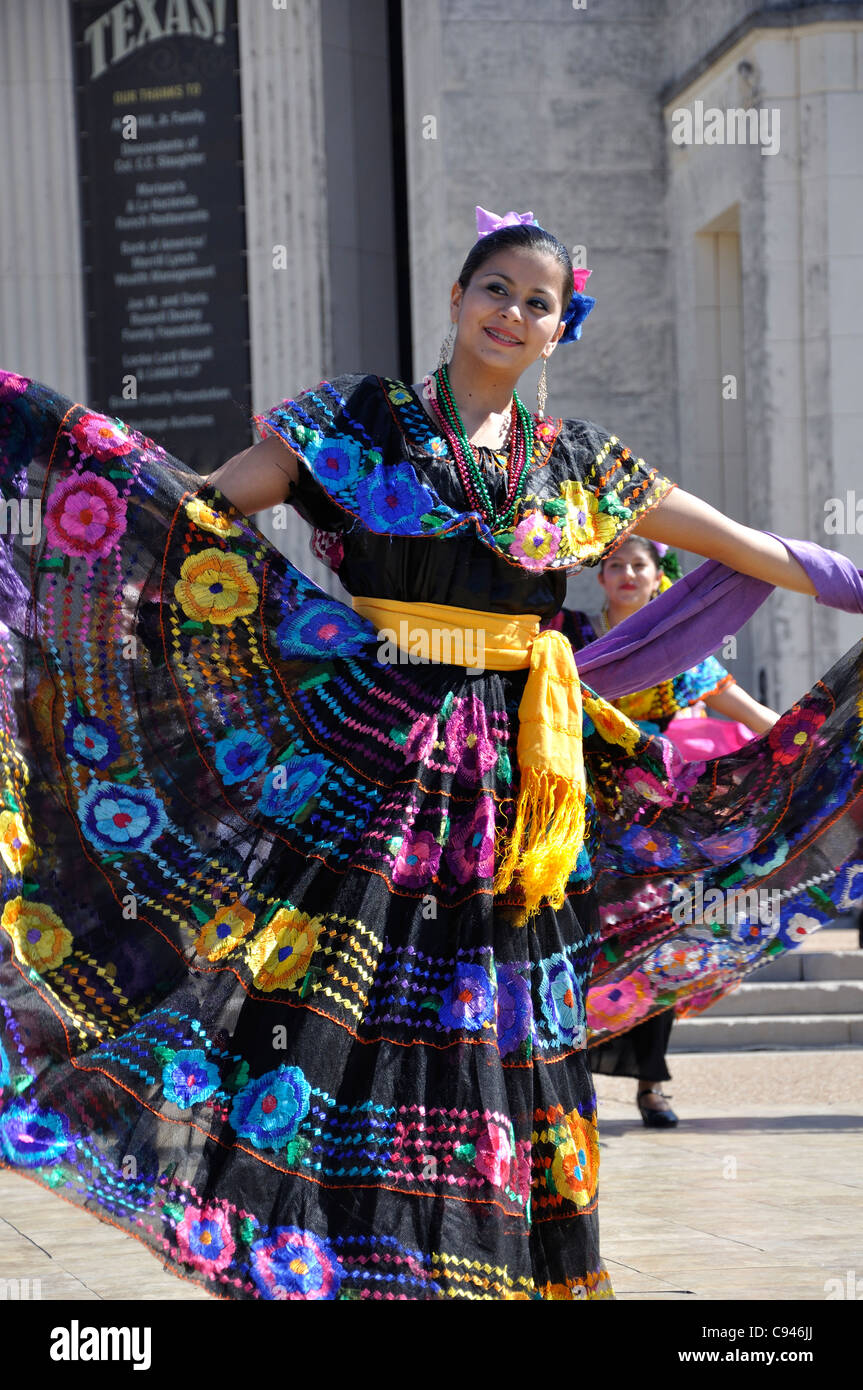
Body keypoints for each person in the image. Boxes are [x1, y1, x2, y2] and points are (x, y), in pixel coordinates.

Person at [0, 206, 861, 1302]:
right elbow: (204, 510)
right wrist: (86, 527)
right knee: (338, 1006)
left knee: (498, 1019)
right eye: (494, 287)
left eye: (537, 302)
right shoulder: (361, 421)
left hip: (516, 781)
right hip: (374, 749)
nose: (511, 311)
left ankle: (483, 1271)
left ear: (560, 331)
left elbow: (747, 548)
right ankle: (323, 1251)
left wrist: (852, 583)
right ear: (457, 299)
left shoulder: (580, 464)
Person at [548, 535, 780, 1126]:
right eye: (615, 565)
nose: (627, 574)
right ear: (599, 578)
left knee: (655, 941)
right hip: (575, 812)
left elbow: (757, 718)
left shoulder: (684, 652)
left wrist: (818, 741)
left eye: (639, 565)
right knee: (569, 936)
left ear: (660, 576)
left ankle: (652, 1084)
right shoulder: (568, 635)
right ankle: (559, 1083)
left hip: (651, 831)